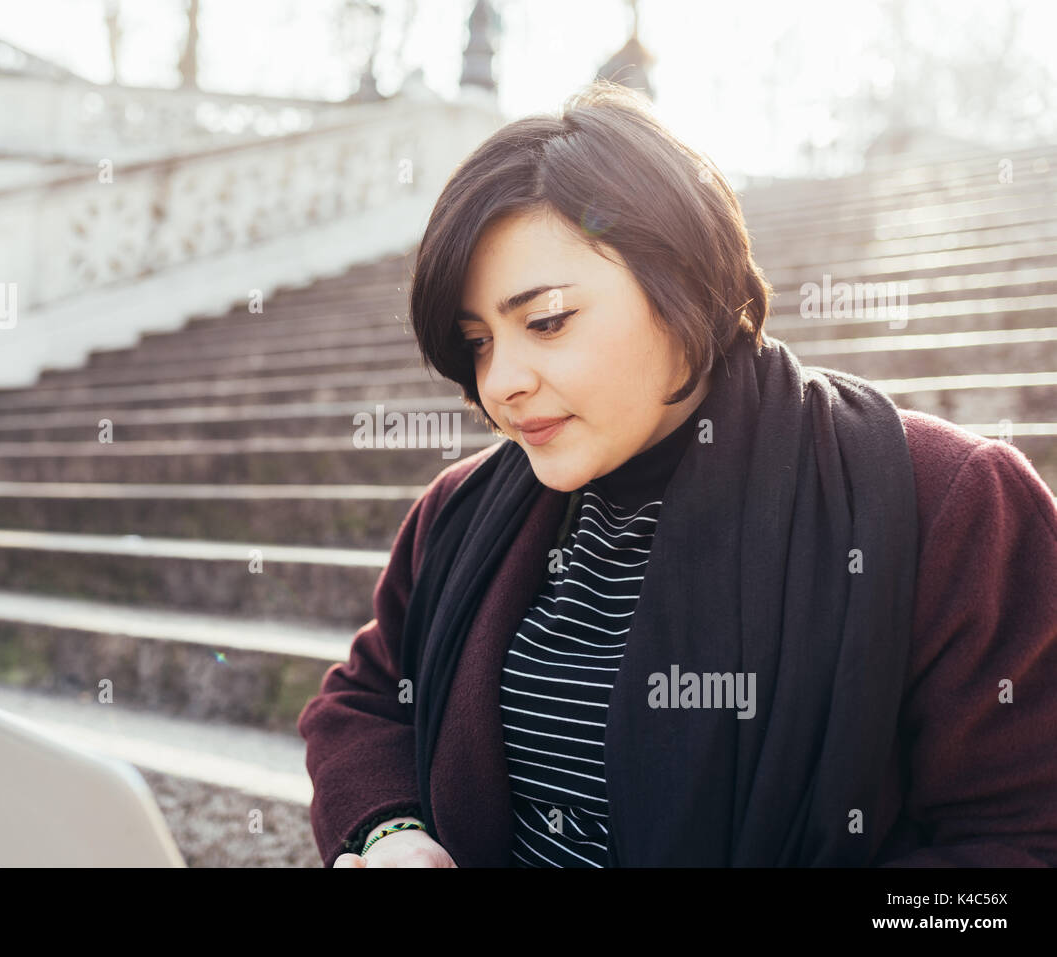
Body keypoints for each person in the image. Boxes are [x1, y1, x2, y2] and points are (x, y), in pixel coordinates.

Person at [297, 81, 1057, 867]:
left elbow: (1021, 841)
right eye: (478, 341)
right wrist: (389, 830)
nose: (501, 383)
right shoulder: (459, 513)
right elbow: (365, 696)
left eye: (547, 321)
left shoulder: (949, 504)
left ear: (683, 282)